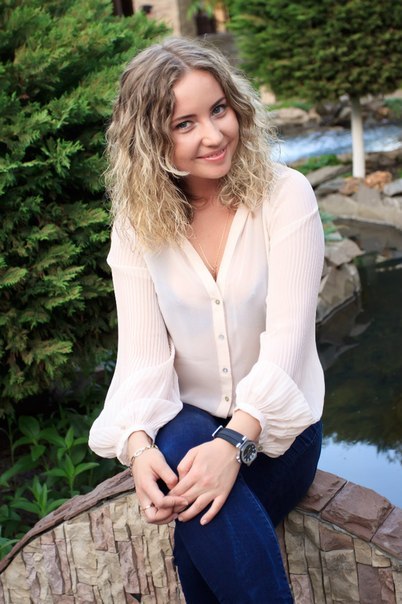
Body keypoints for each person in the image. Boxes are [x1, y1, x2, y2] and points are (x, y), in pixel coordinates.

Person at [89, 37, 325, 603]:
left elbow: (287, 344)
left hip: (278, 433)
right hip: (188, 434)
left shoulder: (285, 196)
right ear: (150, 139)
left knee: (197, 551)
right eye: (184, 123)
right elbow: (142, 358)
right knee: (181, 440)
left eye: (219, 109)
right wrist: (140, 449)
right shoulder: (136, 224)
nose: (214, 134)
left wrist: (233, 444)